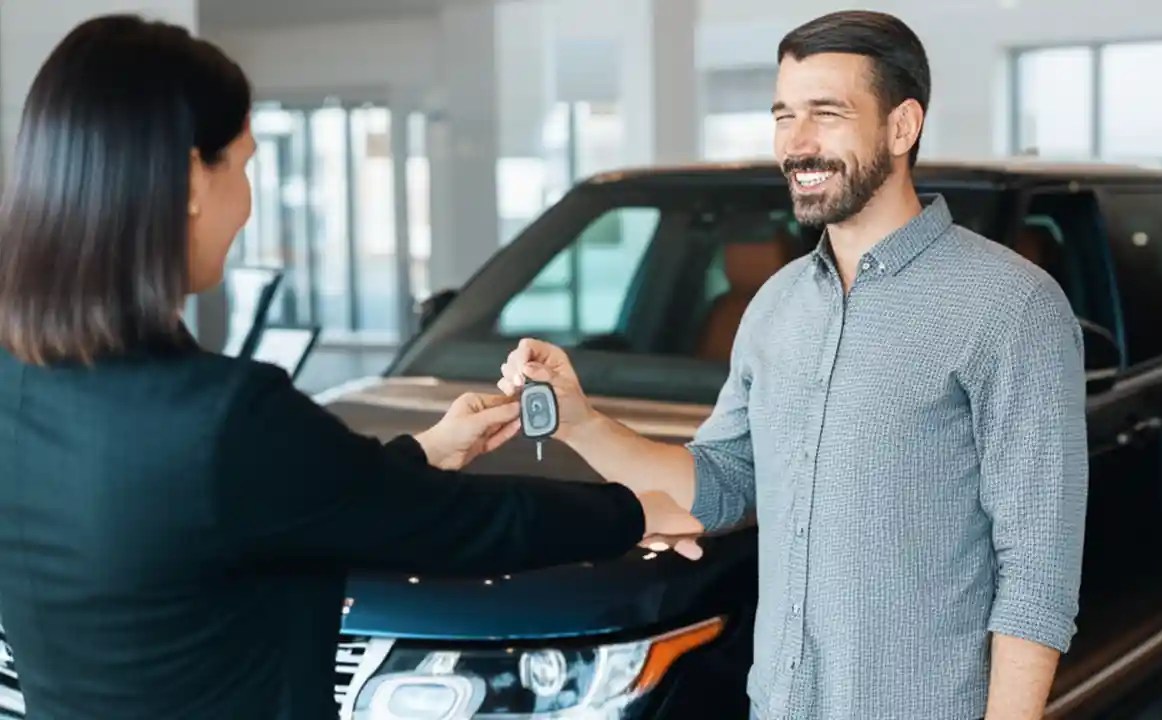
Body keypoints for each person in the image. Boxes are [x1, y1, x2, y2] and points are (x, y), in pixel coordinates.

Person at [0, 15, 699, 720]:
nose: (245, 205)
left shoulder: (18, 386)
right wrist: (632, 509)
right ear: (189, 178)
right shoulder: (221, 419)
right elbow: (463, 524)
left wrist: (427, 451)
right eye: (242, 166)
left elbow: (285, 499)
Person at [499, 10, 1087, 720]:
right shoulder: (775, 306)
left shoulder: (1010, 305)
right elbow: (720, 484)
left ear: (901, 128)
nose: (796, 144)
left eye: (826, 114)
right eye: (783, 116)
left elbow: (1038, 571)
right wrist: (579, 421)